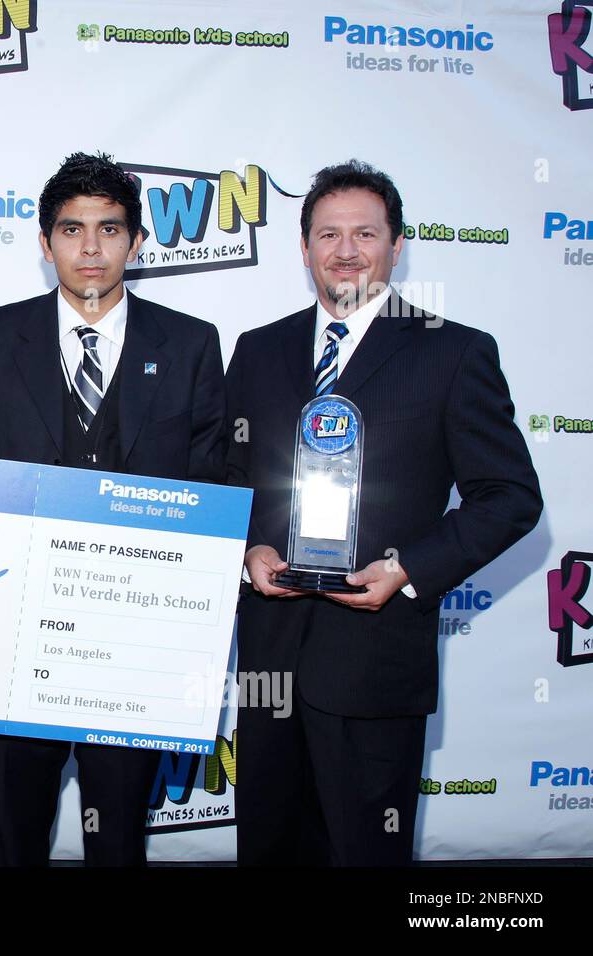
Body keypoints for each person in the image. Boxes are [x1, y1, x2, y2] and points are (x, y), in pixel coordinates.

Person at [226, 160, 542, 866]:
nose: (345, 251)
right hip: (270, 661)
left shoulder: (453, 352)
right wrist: (249, 551)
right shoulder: (258, 350)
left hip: (375, 663)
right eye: (327, 234)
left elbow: (511, 497)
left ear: (397, 247)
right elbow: (230, 475)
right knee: (270, 851)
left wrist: (407, 569)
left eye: (365, 233)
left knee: (366, 852)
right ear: (303, 248)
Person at [0, 152, 227, 866]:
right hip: (17, 635)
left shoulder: (193, 343)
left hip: (136, 639)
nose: (91, 248)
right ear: (44, 244)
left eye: (110, 230)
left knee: (118, 841)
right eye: (72, 230)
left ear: (137, 242)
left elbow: (209, 484)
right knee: (12, 835)